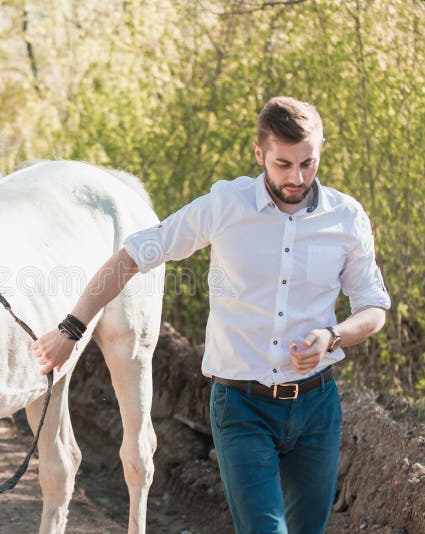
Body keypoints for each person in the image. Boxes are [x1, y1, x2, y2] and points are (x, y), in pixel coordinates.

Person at [31, 96, 390, 533]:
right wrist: (72, 327)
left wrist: (332, 336)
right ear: (259, 155)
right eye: (282, 164)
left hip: (317, 409)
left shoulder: (346, 218)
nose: (296, 177)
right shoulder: (226, 205)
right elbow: (131, 256)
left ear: (321, 150)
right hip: (242, 407)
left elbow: (373, 307)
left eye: (307, 163)